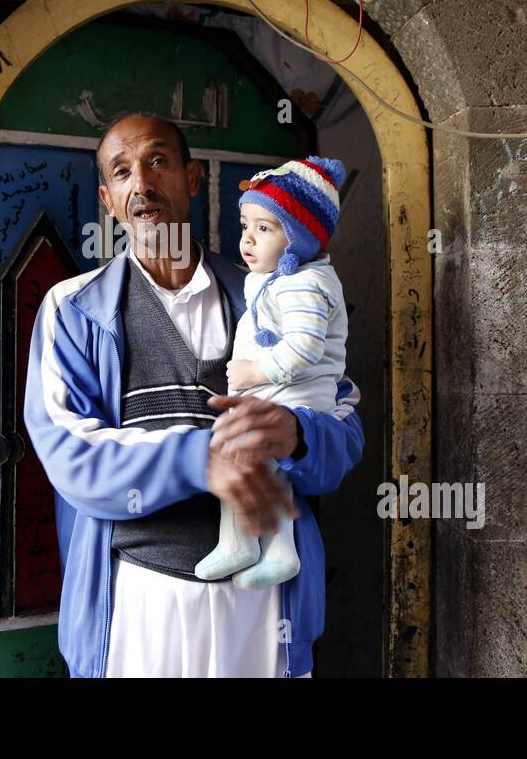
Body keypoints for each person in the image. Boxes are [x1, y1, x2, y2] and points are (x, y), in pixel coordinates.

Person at [22, 113, 365, 677]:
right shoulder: (73, 309)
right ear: (109, 201)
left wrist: (301, 434)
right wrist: (197, 460)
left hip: (263, 609)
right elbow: (71, 455)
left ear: (194, 177)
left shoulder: (268, 293)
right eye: (123, 172)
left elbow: (345, 428)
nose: (143, 184)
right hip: (135, 606)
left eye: (158, 161)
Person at [196, 156, 350, 591]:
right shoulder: (278, 278)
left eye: (265, 228)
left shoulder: (303, 284)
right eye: (246, 225)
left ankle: (238, 544)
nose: (248, 239)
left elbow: (303, 350)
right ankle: (280, 552)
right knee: (269, 473)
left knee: (234, 451)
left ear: (299, 237)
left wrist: (252, 372)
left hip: (293, 395)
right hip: (283, 394)